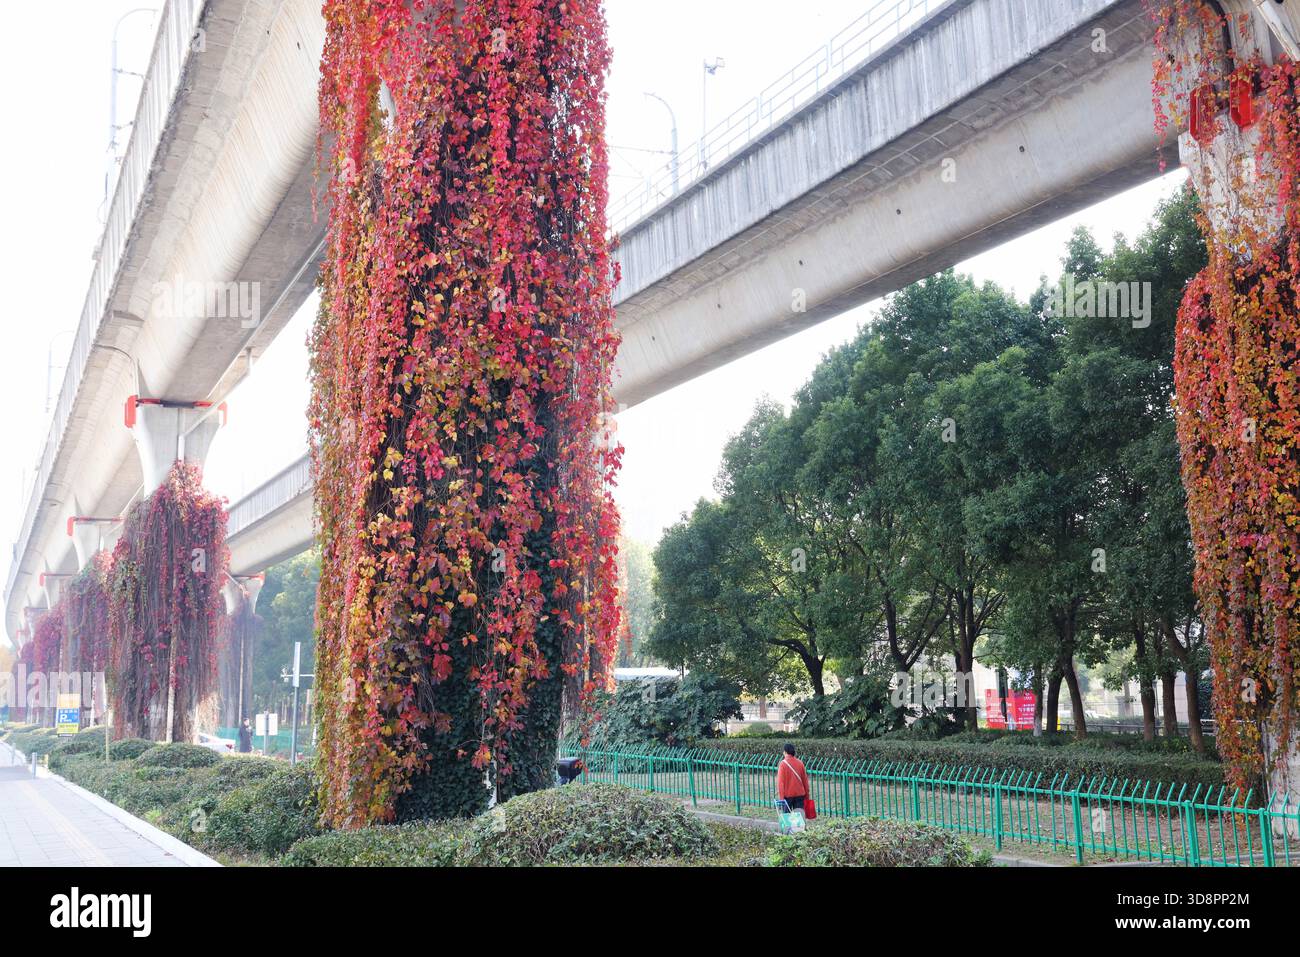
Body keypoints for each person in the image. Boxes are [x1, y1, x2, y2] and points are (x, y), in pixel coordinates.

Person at [776, 742, 808, 813]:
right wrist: (807, 796)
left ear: (785, 752)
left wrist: (781, 798)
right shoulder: (800, 763)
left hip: (788, 796)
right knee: (799, 818)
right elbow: (805, 781)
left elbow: (780, 783)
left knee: (787, 819)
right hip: (800, 795)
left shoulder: (783, 764)